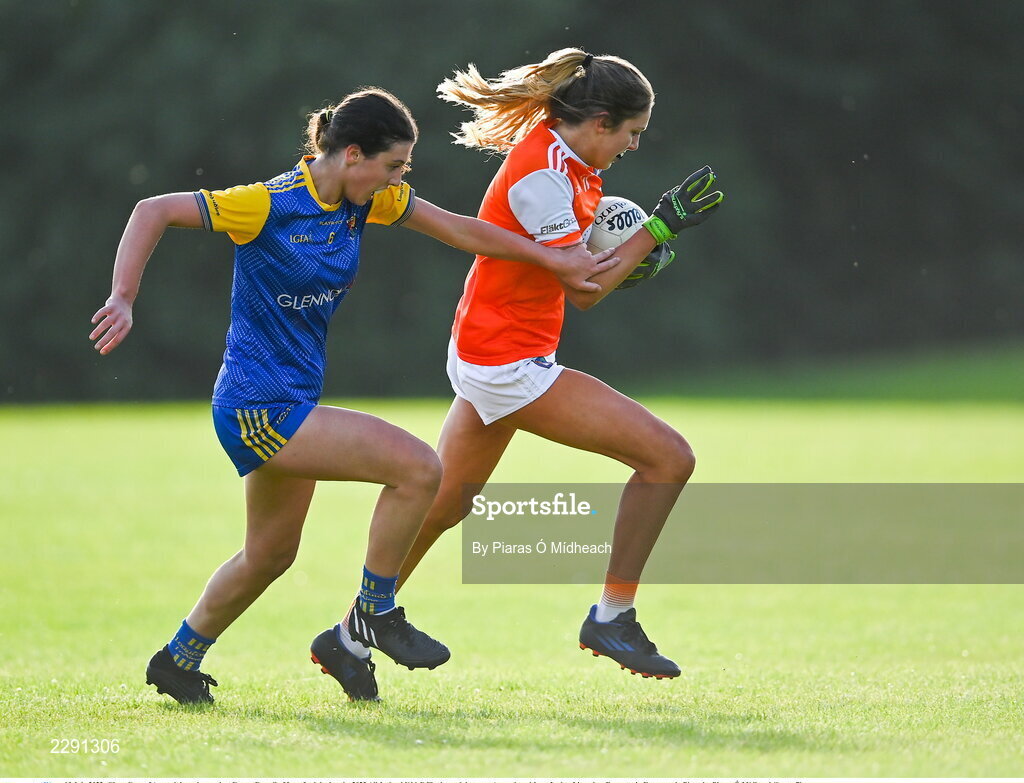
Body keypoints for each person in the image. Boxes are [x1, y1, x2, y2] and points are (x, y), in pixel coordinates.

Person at [89, 87, 619, 705]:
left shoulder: (369, 201)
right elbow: (152, 208)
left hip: (294, 404)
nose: (401, 179)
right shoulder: (265, 205)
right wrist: (123, 296)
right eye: (393, 166)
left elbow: (463, 230)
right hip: (258, 409)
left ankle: (177, 661)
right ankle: (375, 614)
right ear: (352, 154)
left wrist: (553, 260)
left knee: (269, 555)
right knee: (419, 467)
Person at [396, 50, 724, 680]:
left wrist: (631, 249)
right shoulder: (545, 175)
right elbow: (586, 289)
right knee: (668, 459)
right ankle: (612, 616)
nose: (633, 145)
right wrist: (658, 229)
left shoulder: (571, 161)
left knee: (445, 504)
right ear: (601, 121)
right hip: (507, 360)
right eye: (632, 133)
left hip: (493, 346)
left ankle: (356, 625)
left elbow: (584, 267)